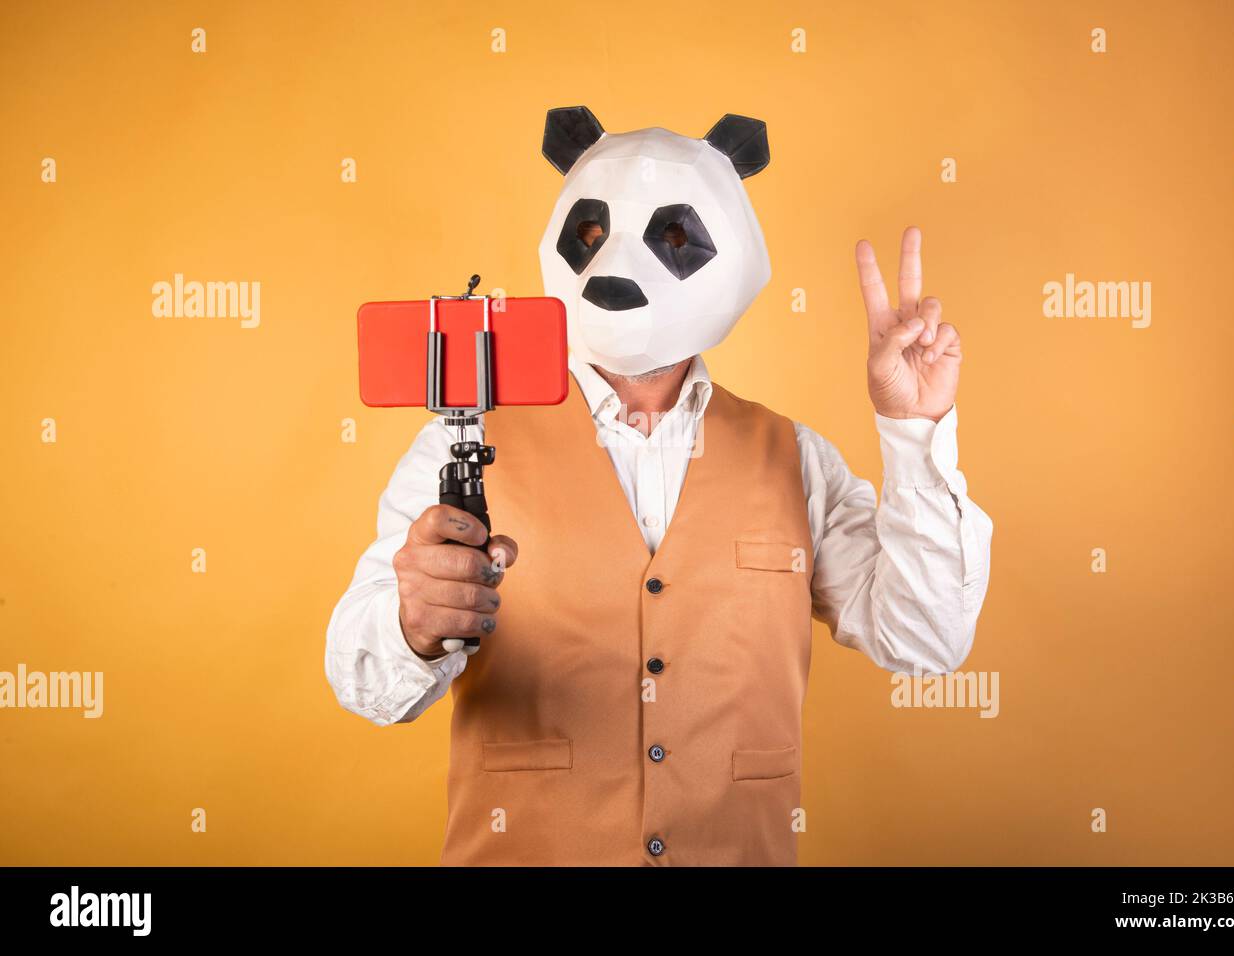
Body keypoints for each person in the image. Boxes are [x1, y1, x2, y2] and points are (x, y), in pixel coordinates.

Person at [325, 107, 992, 865]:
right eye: (591, 235)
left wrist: (916, 429)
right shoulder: (464, 445)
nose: (619, 265)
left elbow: (926, 639)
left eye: (674, 238)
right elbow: (363, 684)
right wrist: (412, 626)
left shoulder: (795, 459)